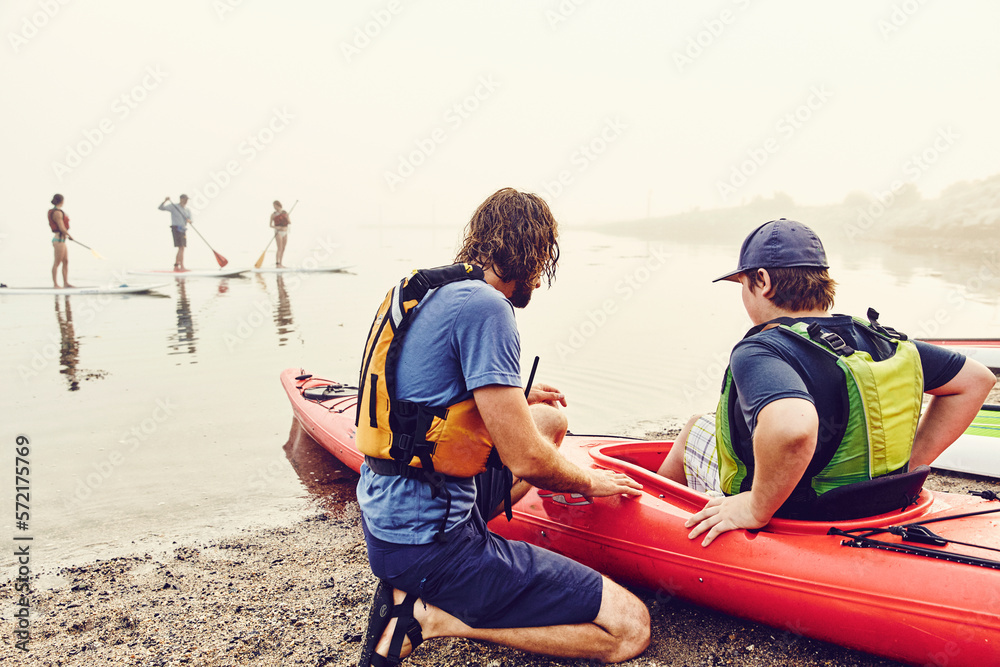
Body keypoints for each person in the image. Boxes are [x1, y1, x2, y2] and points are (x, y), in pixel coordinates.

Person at [355, 188, 650, 666]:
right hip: (433, 543)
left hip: (386, 522)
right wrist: (594, 484)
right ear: (534, 255)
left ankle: (413, 587)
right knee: (629, 627)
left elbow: (416, 398)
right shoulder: (488, 308)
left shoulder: (431, 292)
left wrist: (516, 395)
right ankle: (429, 617)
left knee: (549, 418)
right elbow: (527, 460)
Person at [657, 218, 996, 547]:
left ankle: (658, 519)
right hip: (880, 499)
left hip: (801, 511)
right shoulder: (876, 339)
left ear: (762, 281)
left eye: (744, 285)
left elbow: (793, 429)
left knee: (692, 430)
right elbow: (975, 380)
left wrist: (755, 506)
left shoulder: (761, 349)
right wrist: (908, 465)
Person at [159, 195, 191, 271]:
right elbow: (160, 208)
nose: (186, 201)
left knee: (182, 248)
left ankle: (177, 265)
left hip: (183, 229)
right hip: (176, 228)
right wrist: (165, 201)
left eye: (187, 200)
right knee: (181, 247)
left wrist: (189, 220)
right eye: (185, 199)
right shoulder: (174, 206)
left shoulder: (187, 210)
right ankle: (180, 266)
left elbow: (190, 219)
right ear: (181, 199)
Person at [49, 194, 73, 288]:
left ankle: (66, 283)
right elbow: (62, 227)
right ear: (61, 201)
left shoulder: (59, 211)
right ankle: (55, 284)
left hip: (62, 240)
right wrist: (70, 236)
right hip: (58, 240)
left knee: (66, 261)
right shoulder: (57, 213)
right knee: (57, 262)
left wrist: (67, 236)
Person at [269, 200, 290, 268]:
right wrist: (277, 227)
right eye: (273, 206)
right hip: (278, 233)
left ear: (278, 205)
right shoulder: (273, 214)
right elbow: (270, 225)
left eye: (275, 205)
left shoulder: (285, 213)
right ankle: (277, 264)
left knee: (283, 248)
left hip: (285, 232)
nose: (274, 207)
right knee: (279, 248)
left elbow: (289, 222)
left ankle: (281, 263)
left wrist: (286, 218)